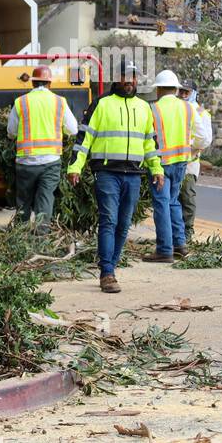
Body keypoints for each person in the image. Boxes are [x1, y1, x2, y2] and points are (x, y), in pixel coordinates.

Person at [67, 63, 165, 293]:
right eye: (125, 76)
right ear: (117, 78)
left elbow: (150, 144)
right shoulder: (102, 104)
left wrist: (157, 169)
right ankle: (107, 273)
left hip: (133, 175)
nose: (129, 80)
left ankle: (111, 265)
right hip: (107, 173)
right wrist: (75, 166)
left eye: (133, 76)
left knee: (123, 224)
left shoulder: (143, 107)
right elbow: (84, 138)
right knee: (108, 221)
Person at [6, 64, 78, 226]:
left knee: (23, 203)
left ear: (32, 83)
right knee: (45, 201)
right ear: (49, 83)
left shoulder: (21, 102)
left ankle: (20, 239)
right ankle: (41, 240)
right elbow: (73, 130)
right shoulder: (59, 102)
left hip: (25, 162)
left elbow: (11, 132)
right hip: (50, 163)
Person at [145, 69, 195, 262]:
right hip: (181, 161)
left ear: (158, 90)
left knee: (162, 204)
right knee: (173, 201)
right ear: (175, 88)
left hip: (161, 163)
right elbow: (198, 137)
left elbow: (148, 138)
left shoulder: (154, 109)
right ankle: (180, 245)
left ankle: (165, 250)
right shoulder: (189, 108)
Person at [177, 82, 213, 245]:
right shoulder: (176, 108)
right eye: (182, 91)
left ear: (194, 93)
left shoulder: (200, 113)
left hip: (190, 163)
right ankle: (176, 232)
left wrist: (189, 145)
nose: (184, 94)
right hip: (173, 160)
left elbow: (205, 140)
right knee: (174, 199)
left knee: (187, 197)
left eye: (187, 92)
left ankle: (187, 232)